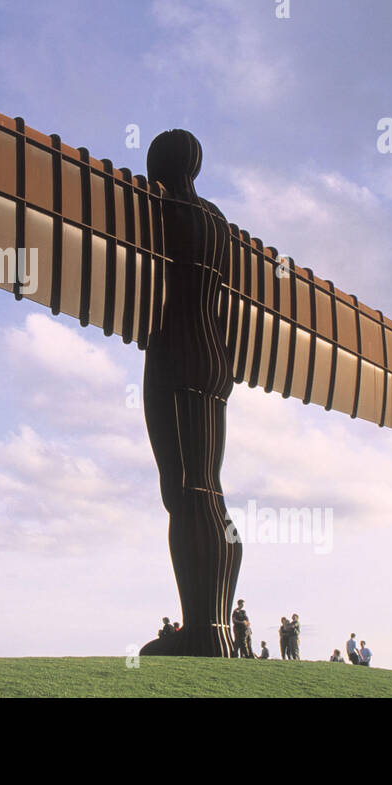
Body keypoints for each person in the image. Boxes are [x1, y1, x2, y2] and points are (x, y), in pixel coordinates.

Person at [142, 130, 241, 657]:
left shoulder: (157, 207)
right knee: (206, 486)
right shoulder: (220, 223)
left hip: (176, 346)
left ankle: (202, 630)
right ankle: (216, 627)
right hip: (216, 353)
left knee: (184, 489)